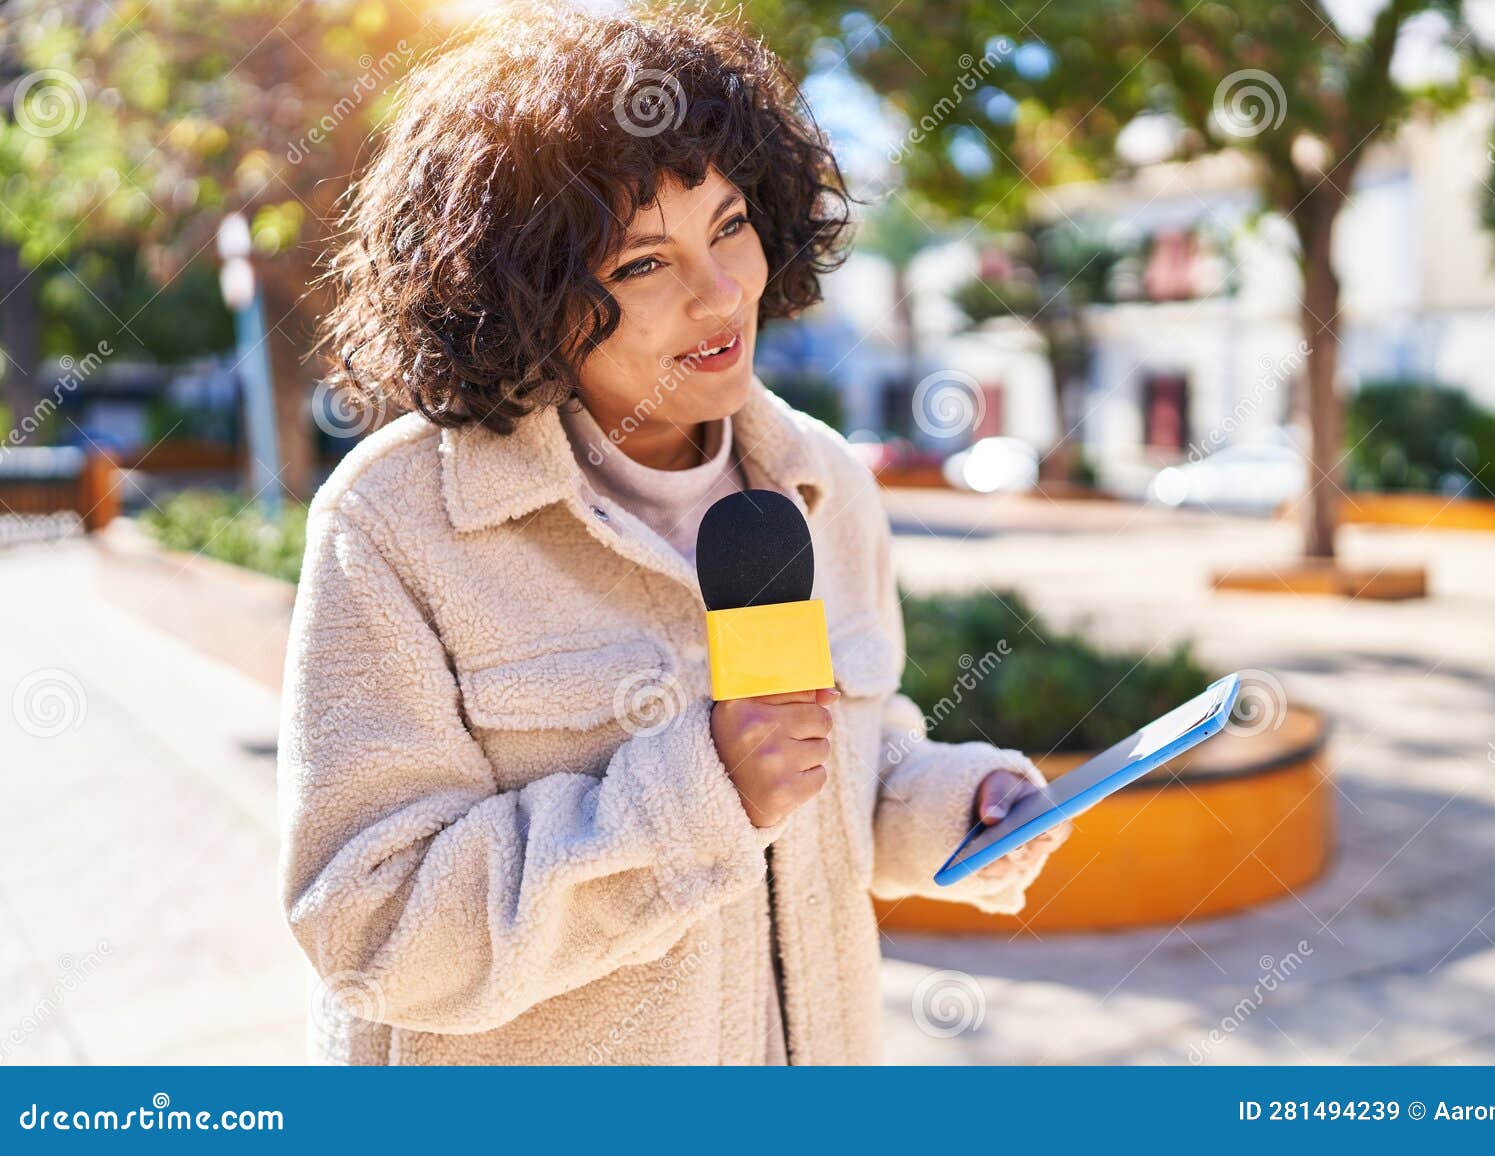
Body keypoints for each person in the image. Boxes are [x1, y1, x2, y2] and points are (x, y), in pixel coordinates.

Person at [278, 0, 1066, 1066]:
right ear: (526, 296)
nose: (720, 291)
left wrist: (955, 806)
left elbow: (845, 773)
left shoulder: (822, 480)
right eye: (645, 262)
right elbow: (372, 927)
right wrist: (696, 798)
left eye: (731, 225)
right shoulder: (398, 522)